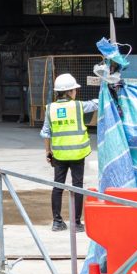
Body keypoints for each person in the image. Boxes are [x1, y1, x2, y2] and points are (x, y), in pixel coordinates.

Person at [42, 73, 97, 232]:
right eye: (74, 90)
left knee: (57, 187)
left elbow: (46, 133)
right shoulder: (79, 106)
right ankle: (76, 223)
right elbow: (96, 104)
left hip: (59, 155)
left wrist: (48, 151)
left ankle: (57, 222)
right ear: (69, 92)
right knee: (77, 186)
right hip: (78, 154)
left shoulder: (50, 109)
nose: (76, 92)